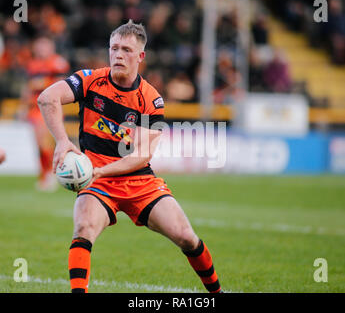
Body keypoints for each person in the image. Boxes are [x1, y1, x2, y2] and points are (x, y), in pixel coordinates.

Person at [37, 20, 222, 293]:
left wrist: (98, 171)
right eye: (113, 48)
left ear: (140, 56)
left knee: (186, 237)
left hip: (138, 181)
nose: (118, 55)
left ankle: (217, 293)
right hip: (97, 183)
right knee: (84, 228)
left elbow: (141, 156)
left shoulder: (152, 99)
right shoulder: (89, 80)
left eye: (126, 49)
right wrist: (62, 142)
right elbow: (46, 98)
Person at [20, 36, 70, 191]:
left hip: (49, 106)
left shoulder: (57, 62)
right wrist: (23, 106)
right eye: (39, 46)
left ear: (51, 47)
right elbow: (28, 87)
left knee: (45, 141)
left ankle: (51, 173)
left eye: (44, 46)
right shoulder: (32, 64)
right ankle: (44, 174)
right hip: (34, 107)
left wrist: (42, 84)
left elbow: (62, 83)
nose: (41, 49)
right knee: (39, 143)